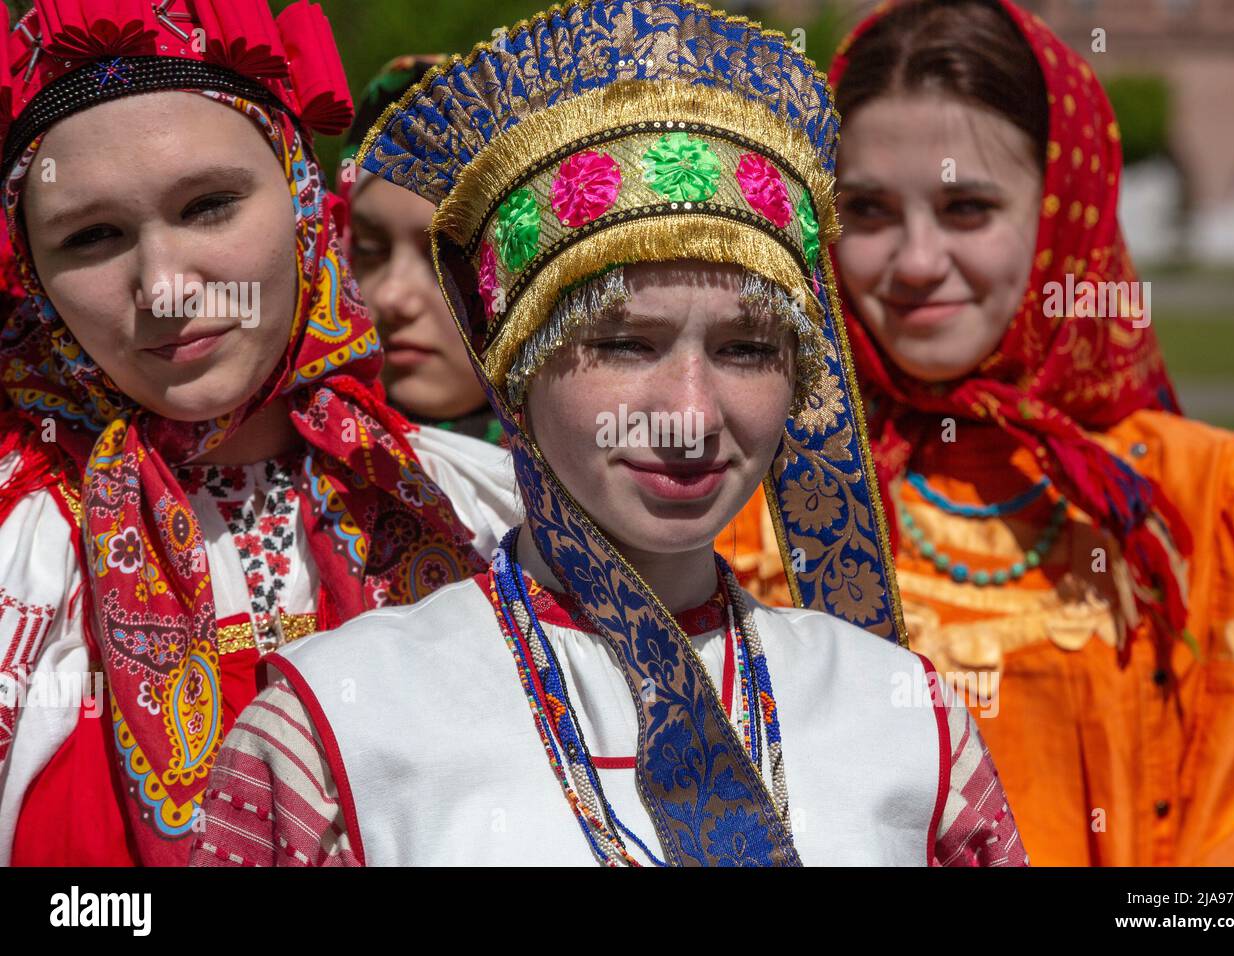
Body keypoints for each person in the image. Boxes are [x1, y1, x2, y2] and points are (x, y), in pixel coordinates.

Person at [192, 0, 1028, 868]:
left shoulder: (908, 722)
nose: (692, 414)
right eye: (625, 343)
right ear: (514, 363)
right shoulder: (338, 735)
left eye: (747, 349)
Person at [0, 0, 516, 866]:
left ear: (306, 204)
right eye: (92, 235)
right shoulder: (23, 555)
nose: (164, 288)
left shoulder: (489, 510)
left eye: (208, 206)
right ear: (33, 273)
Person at [829, 0, 1234, 865]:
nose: (917, 260)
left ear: (1063, 217)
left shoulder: (1223, 511)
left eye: (966, 208)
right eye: (867, 211)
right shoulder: (772, 489)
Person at [337, 54, 503, 446]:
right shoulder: (305, 480)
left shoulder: (619, 487)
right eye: (370, 250)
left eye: (449, 257)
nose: (392, 297)